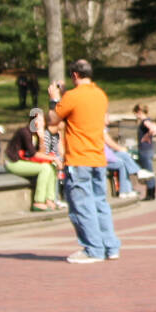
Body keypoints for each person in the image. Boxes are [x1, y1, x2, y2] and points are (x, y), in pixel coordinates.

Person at [48, 60, 120, 263]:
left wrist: (55, 99)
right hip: (98, 157)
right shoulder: (100, 95)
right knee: (100, 203)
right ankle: (110, 246)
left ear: (75, 76)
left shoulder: (72, 96)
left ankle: (93, 249)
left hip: (79, 158)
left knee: (82, 206)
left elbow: (53, 119)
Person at [2, 110, 58, 212]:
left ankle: (50, 199)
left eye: (42, 120)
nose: (41, 123)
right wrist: (54, 158)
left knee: (51, 167)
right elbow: (33, 154)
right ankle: (38, 201)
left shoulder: (37, 134)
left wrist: (41, 138)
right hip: (13, 162)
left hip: (26, 162)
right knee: (45, 168)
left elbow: (42, 153)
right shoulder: (24, 132)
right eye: (38, 120)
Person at [105, 120, 152, 199]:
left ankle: (126, 189)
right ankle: (136, 174)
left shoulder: (103, 128)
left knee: (124, 156)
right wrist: (120, 148)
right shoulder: (99, 128)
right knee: (122, 161)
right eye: (106, 118)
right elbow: (109, 142)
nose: (108, 121)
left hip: (109, 155)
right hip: (103, 158)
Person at [134, 104, 156, 201]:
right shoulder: (148, 120)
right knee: (149, 170)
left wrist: (148, 135)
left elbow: (155, 129)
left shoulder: (145, 121)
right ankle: (151, 192)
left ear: (139, 112)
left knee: (148, 172)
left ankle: (150, 193)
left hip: (144, 149)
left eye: (136, 113)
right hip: (148, 148)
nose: (136, 115)